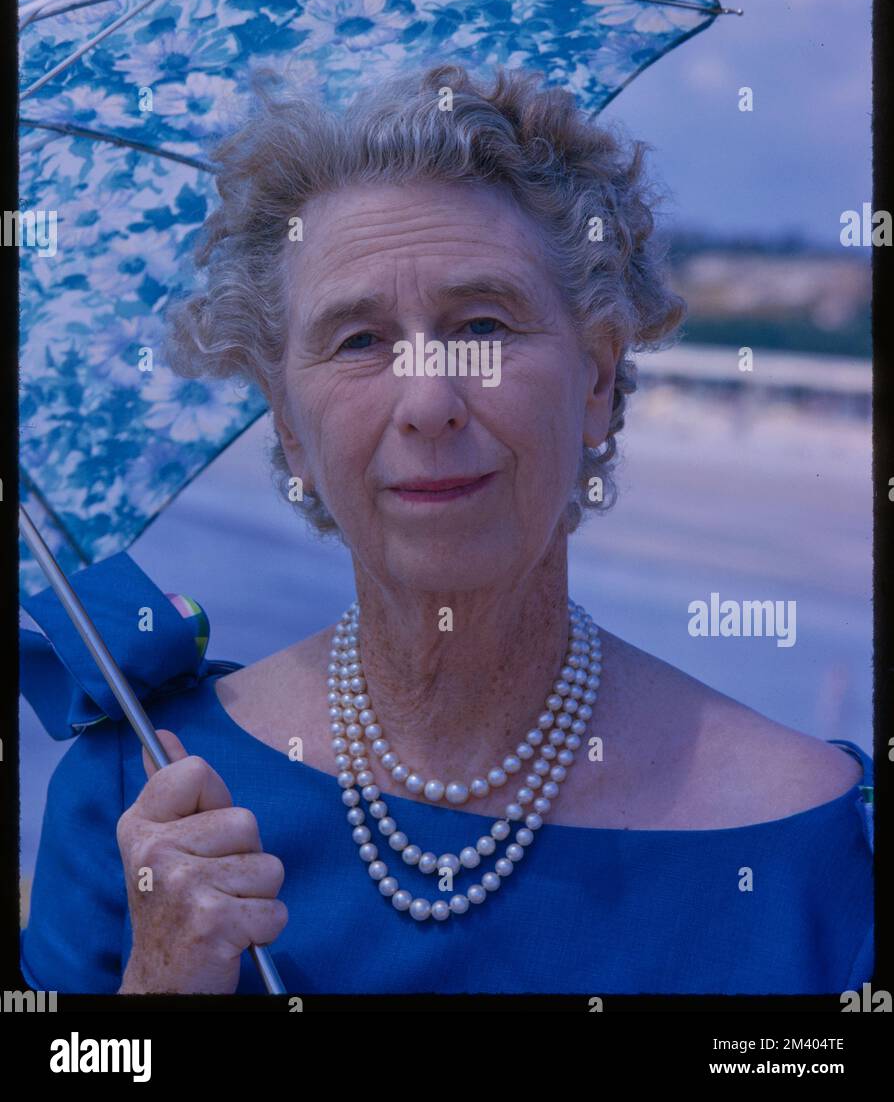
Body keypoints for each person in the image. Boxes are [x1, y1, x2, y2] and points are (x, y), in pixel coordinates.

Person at [21, 64, 873, 995]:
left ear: (595, 380)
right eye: (358, 341)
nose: (428, 400)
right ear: (288, 424)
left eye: (482, 324)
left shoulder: (816, 846)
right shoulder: (145, 802)